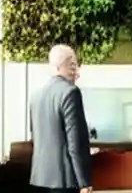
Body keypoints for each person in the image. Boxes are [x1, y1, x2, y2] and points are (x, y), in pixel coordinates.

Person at [31, 44, 93, 193]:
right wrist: (84, 182)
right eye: (72, 65)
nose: (76, 72)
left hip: (40, 178)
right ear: (58, 67)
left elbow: (35, 136)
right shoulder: (71, 92)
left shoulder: (35, 96)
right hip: (65, 180)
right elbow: (75, 143)